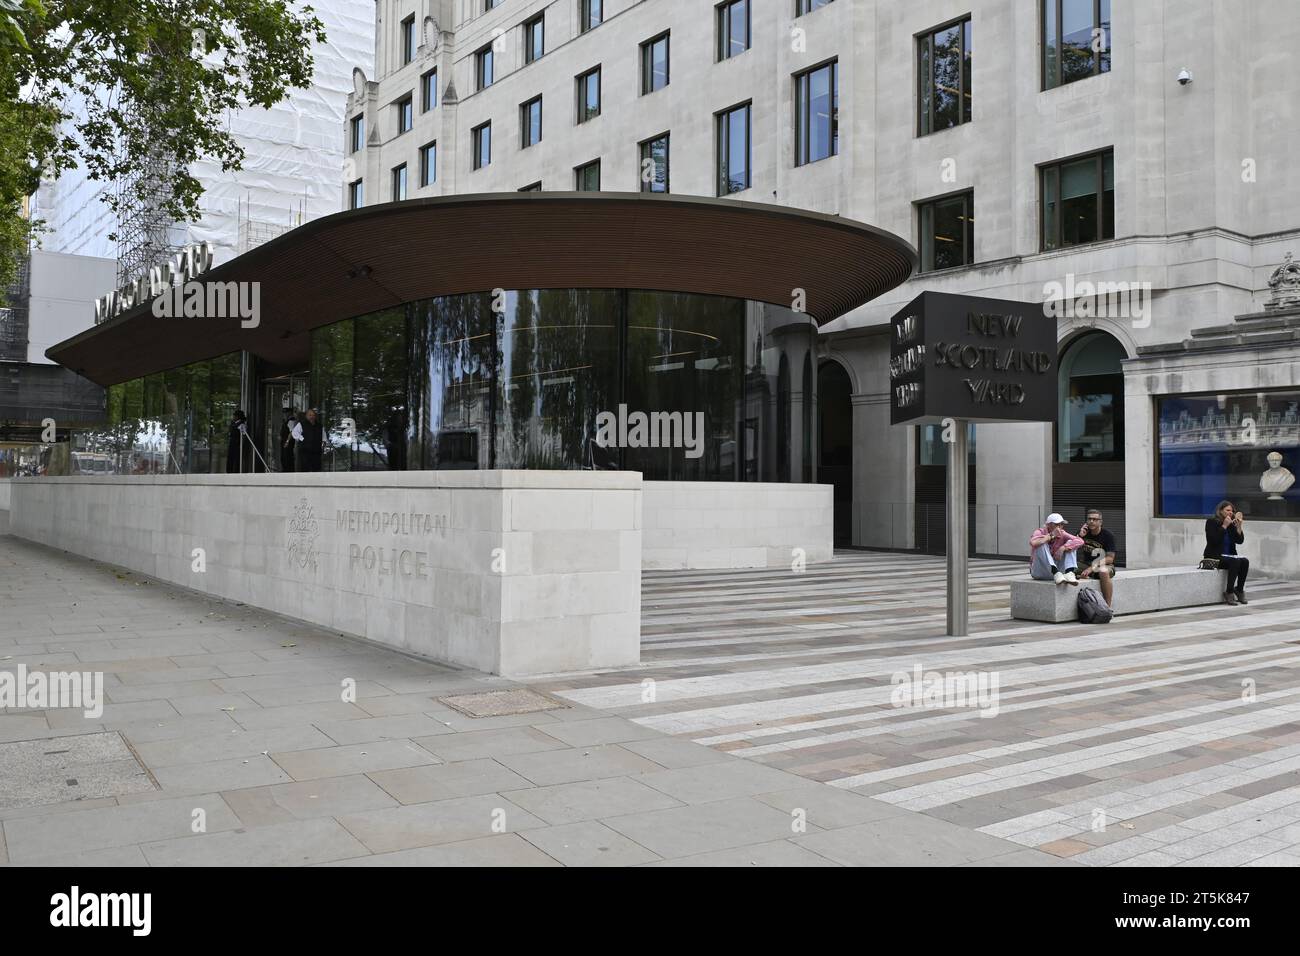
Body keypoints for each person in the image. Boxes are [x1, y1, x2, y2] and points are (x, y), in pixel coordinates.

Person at [1205, 500, 1248, 605]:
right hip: (1214, 557)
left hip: (1229, 556)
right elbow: (1213, 541)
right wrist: (1224, 526)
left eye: (1232, 511)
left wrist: (1239, 527)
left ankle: (1239, 589)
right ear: (1220, 511)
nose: (1230, 512)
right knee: (1235, 562)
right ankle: (1229, 592)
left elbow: (1239, 541)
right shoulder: (1211, 522)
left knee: (1245, 561)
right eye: (1227, 510)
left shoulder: (1231, 524)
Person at [1029, 513, 1084, 585]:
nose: (1060, 527)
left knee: (1071, 543)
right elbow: (1034, 543)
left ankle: (1069, 573)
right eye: (1057, 524)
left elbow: (1080, 541)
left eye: (1062, 524)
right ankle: (1055, 572)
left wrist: (1063, 547)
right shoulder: (1039, 532)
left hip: (1059, 576)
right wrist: (1051, 535)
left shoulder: (1062, 533)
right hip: (1039, 572)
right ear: (1049, 525)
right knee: (1041, 543)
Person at [1078, 508, 1117, 607]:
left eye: (1095, 519)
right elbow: (1070, 548)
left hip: (1104, 565)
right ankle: (1087, 575)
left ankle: (1108, 607)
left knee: (1103, 572)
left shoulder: (1108, 535)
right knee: (1067, 568)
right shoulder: (1083, 532)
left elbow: (1110, 558)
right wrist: (1079, 536)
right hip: (1085, 564)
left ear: (1100, 522)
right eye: (1089, 519)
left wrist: (1092, 568)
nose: (1091, 521)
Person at [298, 407, 324, 472]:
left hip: (316, 451)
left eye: (313, 415)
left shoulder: (319, 426)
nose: (312, 417)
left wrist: (323, 444)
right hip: (305, 451)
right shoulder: (301, 424)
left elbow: (324, 436)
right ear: (306, 416)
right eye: (310, 415)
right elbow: (294, 433)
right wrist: (302, 439)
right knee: (305, 469)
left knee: (316, 469)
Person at [280, 409, 300, 473]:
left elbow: (291, 432)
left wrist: (287, 442)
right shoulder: (286, 421)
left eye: (285, 413)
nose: (284, 415)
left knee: (287, 458)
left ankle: (288, 472)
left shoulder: (291, 421)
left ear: (289, 413)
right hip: (285, 443)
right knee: (284, 458)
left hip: (288, 444)